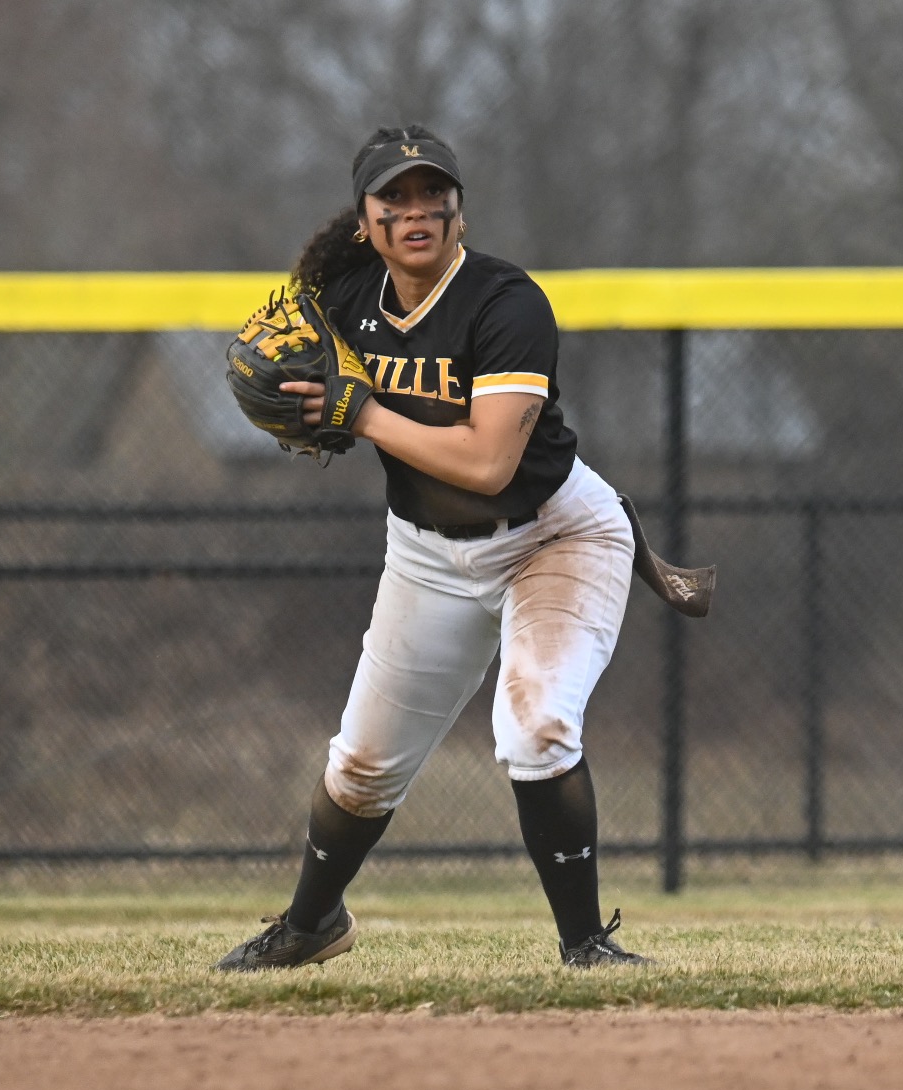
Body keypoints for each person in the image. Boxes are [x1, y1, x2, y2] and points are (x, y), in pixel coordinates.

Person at [215, 124, 649, 971]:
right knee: (363, 767)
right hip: (425, 552)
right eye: (394, 197)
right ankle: (309, 926)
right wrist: (295, 405)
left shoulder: (505, 303)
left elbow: (489, 463)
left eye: (431, 193)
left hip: (554, 534)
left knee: (537, 725)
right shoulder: (341, 297)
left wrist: (362, 413)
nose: (416, 210)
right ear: (367, 218)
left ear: (458, 206)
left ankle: (585, 947)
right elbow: (290, 379)